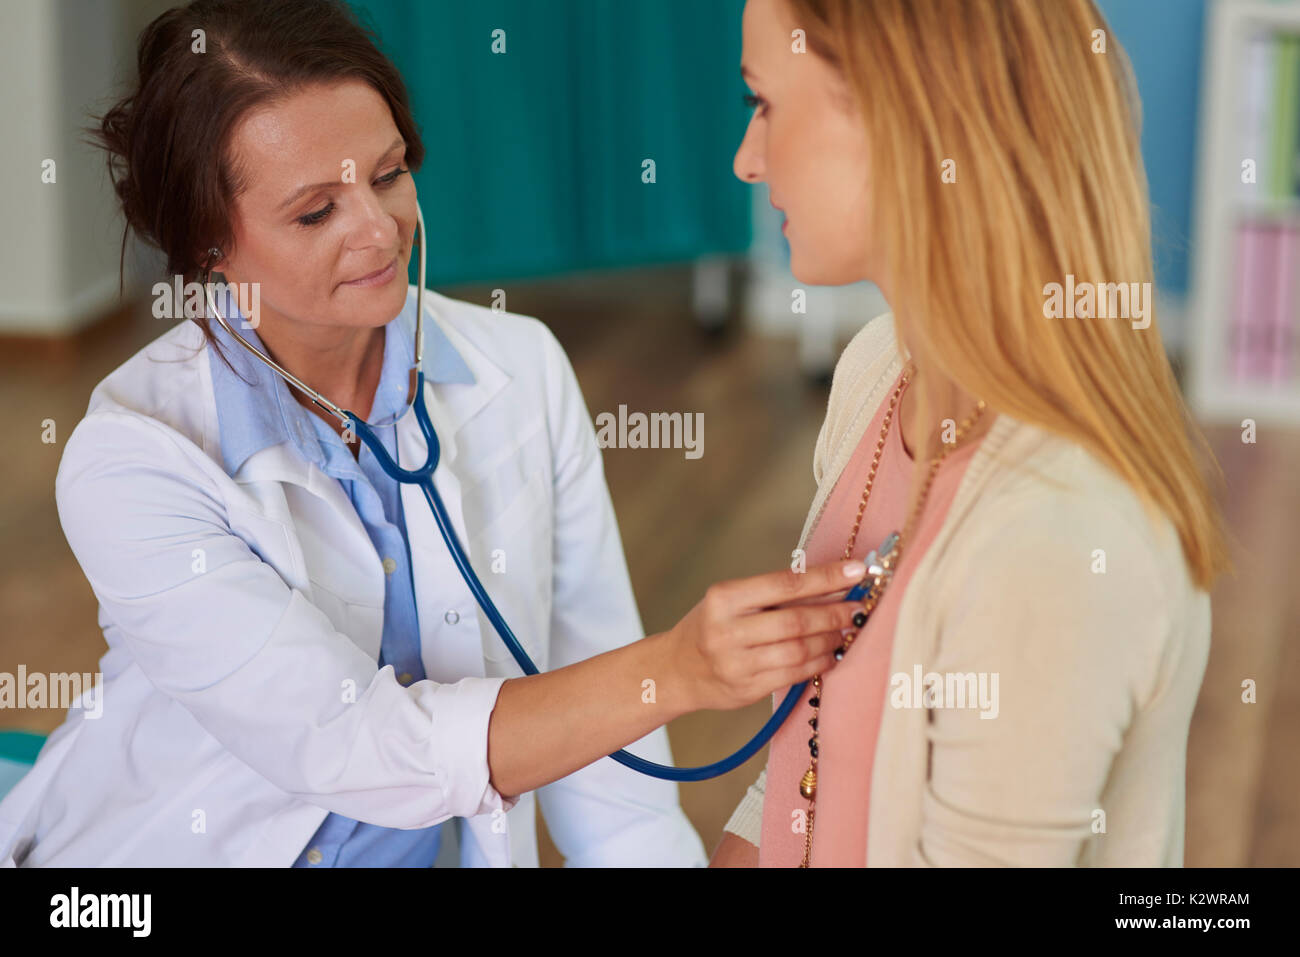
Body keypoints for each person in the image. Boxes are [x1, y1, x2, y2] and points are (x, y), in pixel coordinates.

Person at [0, 0, 868, 867]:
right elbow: (351, 744)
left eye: (386, 175)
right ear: (206, 244)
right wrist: (678, 670)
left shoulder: (519, 367)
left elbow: (603, 732)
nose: (378, 231)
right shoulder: (135, 458)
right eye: (315, 213)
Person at [710, 0, 1233, 867]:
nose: (747, 159)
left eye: (762, 103)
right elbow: (802, 765)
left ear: (899, 119)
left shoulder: (1058, 541)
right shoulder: (878, 373)